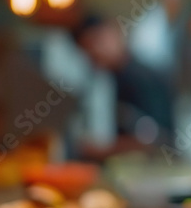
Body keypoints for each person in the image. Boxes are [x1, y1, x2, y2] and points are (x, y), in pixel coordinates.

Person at [72, 15, 174, 158]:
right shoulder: (102, 81)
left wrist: (102, 149)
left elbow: (159, 140)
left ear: (115, 33)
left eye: (98, 40)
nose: (95, 51)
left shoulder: (143, 78)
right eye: (87, 48)